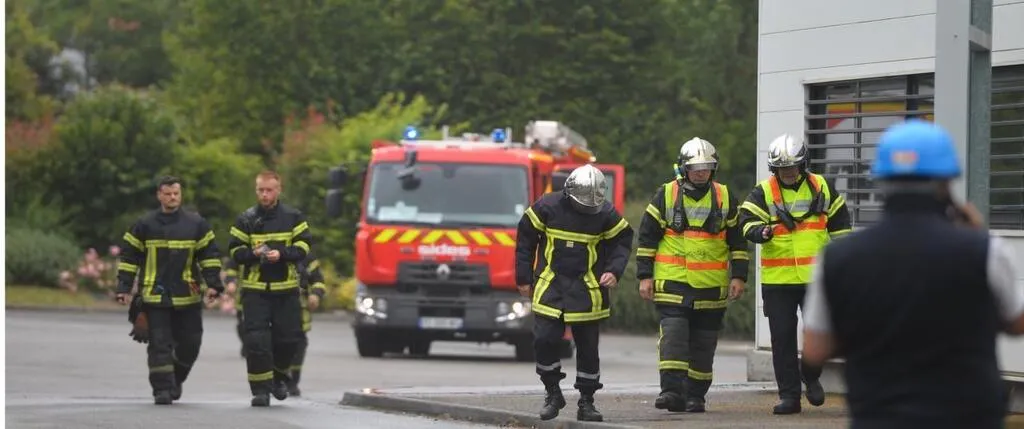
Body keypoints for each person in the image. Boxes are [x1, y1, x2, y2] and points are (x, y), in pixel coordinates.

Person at [802, 120, 1024, 429]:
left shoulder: (838, 257)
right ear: (946, 183)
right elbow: (1017, 322)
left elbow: (815, 350)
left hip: (879, 416)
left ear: (880, 182)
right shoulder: (984, 250)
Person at [737, 133, 852, 414]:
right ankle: (789, 397)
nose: (787, 172)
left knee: (822, 334)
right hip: (779, 281)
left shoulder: (822, 186)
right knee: (782, 339)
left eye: (792, 167)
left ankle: (810, 375)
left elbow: (841, 226)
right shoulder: (763, 191)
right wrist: (759, 232)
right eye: (781, 168)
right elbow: (745, 221)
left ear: (803, 164)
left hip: (816, 278)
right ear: (773, 169)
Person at [636, 137, 749, 413]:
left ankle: (696, 396)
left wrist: (739, 277)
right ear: (683, 168)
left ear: (714, 169)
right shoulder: (665, 194)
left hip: (711, 288)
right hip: (673, 283)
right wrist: (644, 276)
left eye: (706, 167)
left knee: (703, 345)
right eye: (696, 167)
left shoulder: (724, 196)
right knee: (673, 337)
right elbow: (647, 238)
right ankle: (671, 392)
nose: (701, 172)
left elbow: (737, 241)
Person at [514, 164, 634, 422]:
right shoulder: (547, 206)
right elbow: (525, 239)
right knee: (544, 340)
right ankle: (552, 392)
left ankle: (587, 402)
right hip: (551, 285)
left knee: (588, 348)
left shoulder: (605, 213)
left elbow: (623, 241)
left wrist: (614, 270)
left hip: (587, 288)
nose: (587, 209)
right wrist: (523, 278)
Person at [115, 176, 224, 405]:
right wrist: (124, 288)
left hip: (189, 295)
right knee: (159, 345)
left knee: (191, 343)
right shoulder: (144, 224)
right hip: (155, 295)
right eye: (168, 193)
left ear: (180, 195)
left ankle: (175, 379)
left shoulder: (196, 224)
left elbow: (209, 256)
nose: (173, 197)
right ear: (159, 195)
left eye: (176, 193)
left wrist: (214, 284)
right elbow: (128, 258)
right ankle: (162, 390)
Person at [228, 170, 313, 407]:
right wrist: (253, 254)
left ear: (279, 190)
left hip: (285, 291)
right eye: (260, 190)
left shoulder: (293, 217)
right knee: (256, 342)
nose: (264, 195)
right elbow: (234, 253)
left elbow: (304, 247)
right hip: (255, 292)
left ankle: (278, 378)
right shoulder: (245, 219)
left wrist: (282, 254)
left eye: (269, 190)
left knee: (290, 339)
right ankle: (260, 391)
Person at [287, 251, 327, 397]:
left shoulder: (305, 256)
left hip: (299, 311)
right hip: (274, 308)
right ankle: (278, 379)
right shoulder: (271, 251)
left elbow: (318, 280)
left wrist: (316, 294)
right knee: (277, 345)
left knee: (298, 346)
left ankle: (293, 381)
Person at [222, 257, 245, 358]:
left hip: (267, 297)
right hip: (242, 298)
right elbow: (231, 270)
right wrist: (231, 282)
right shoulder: (241, 249)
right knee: (242, 326)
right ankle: (246, 343)